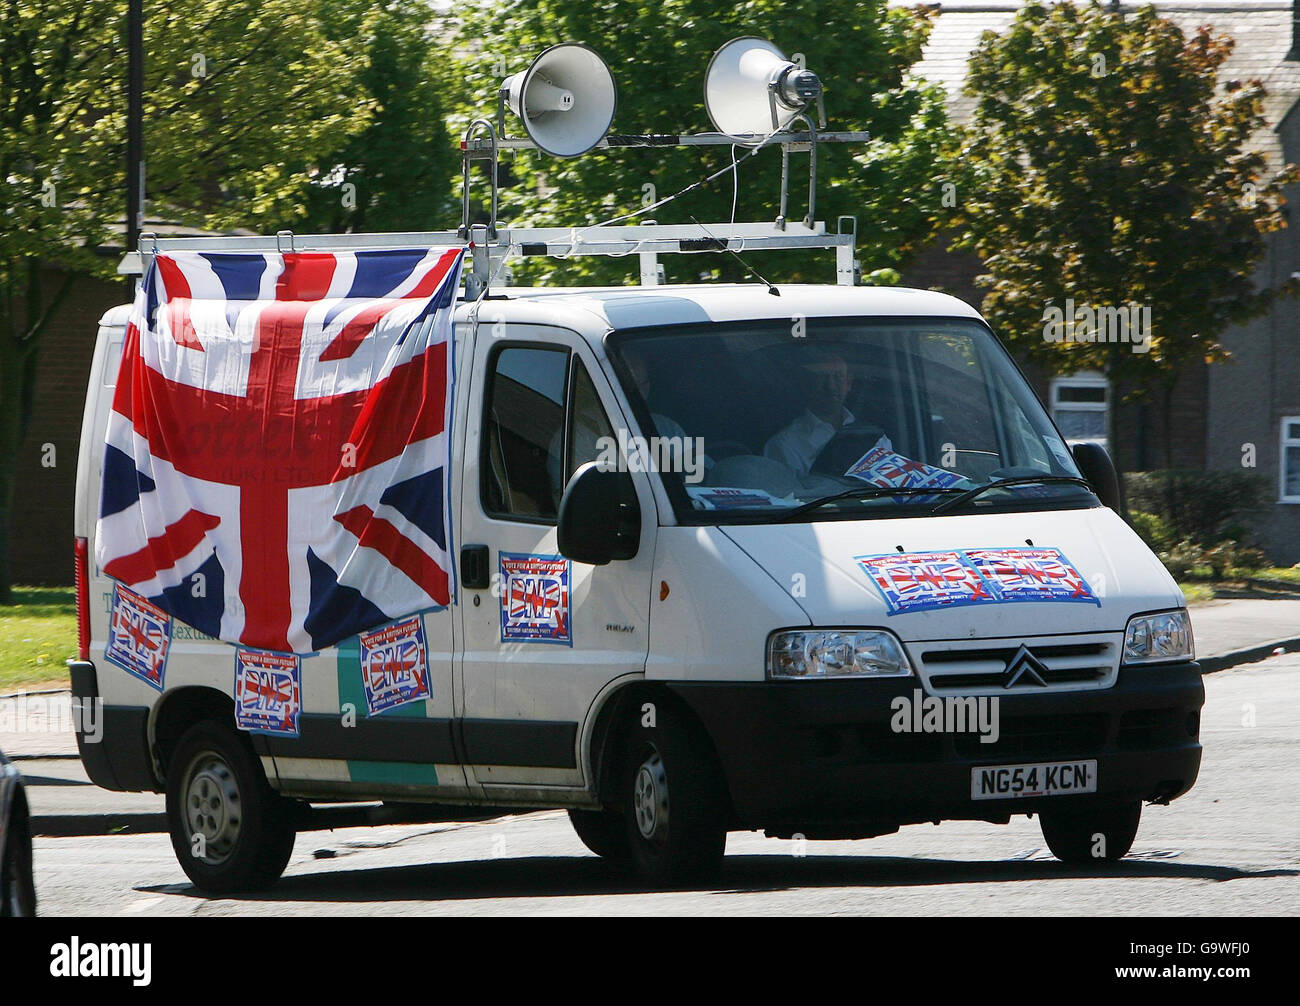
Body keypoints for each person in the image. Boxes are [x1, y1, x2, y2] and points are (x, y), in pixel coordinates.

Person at [763, 350, 855, 479]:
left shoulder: (872, 435)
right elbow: (784, 495)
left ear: (849, 383)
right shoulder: (784, 445)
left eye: (838, 376)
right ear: (808, 383)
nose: (831, 386)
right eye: (822, 377)